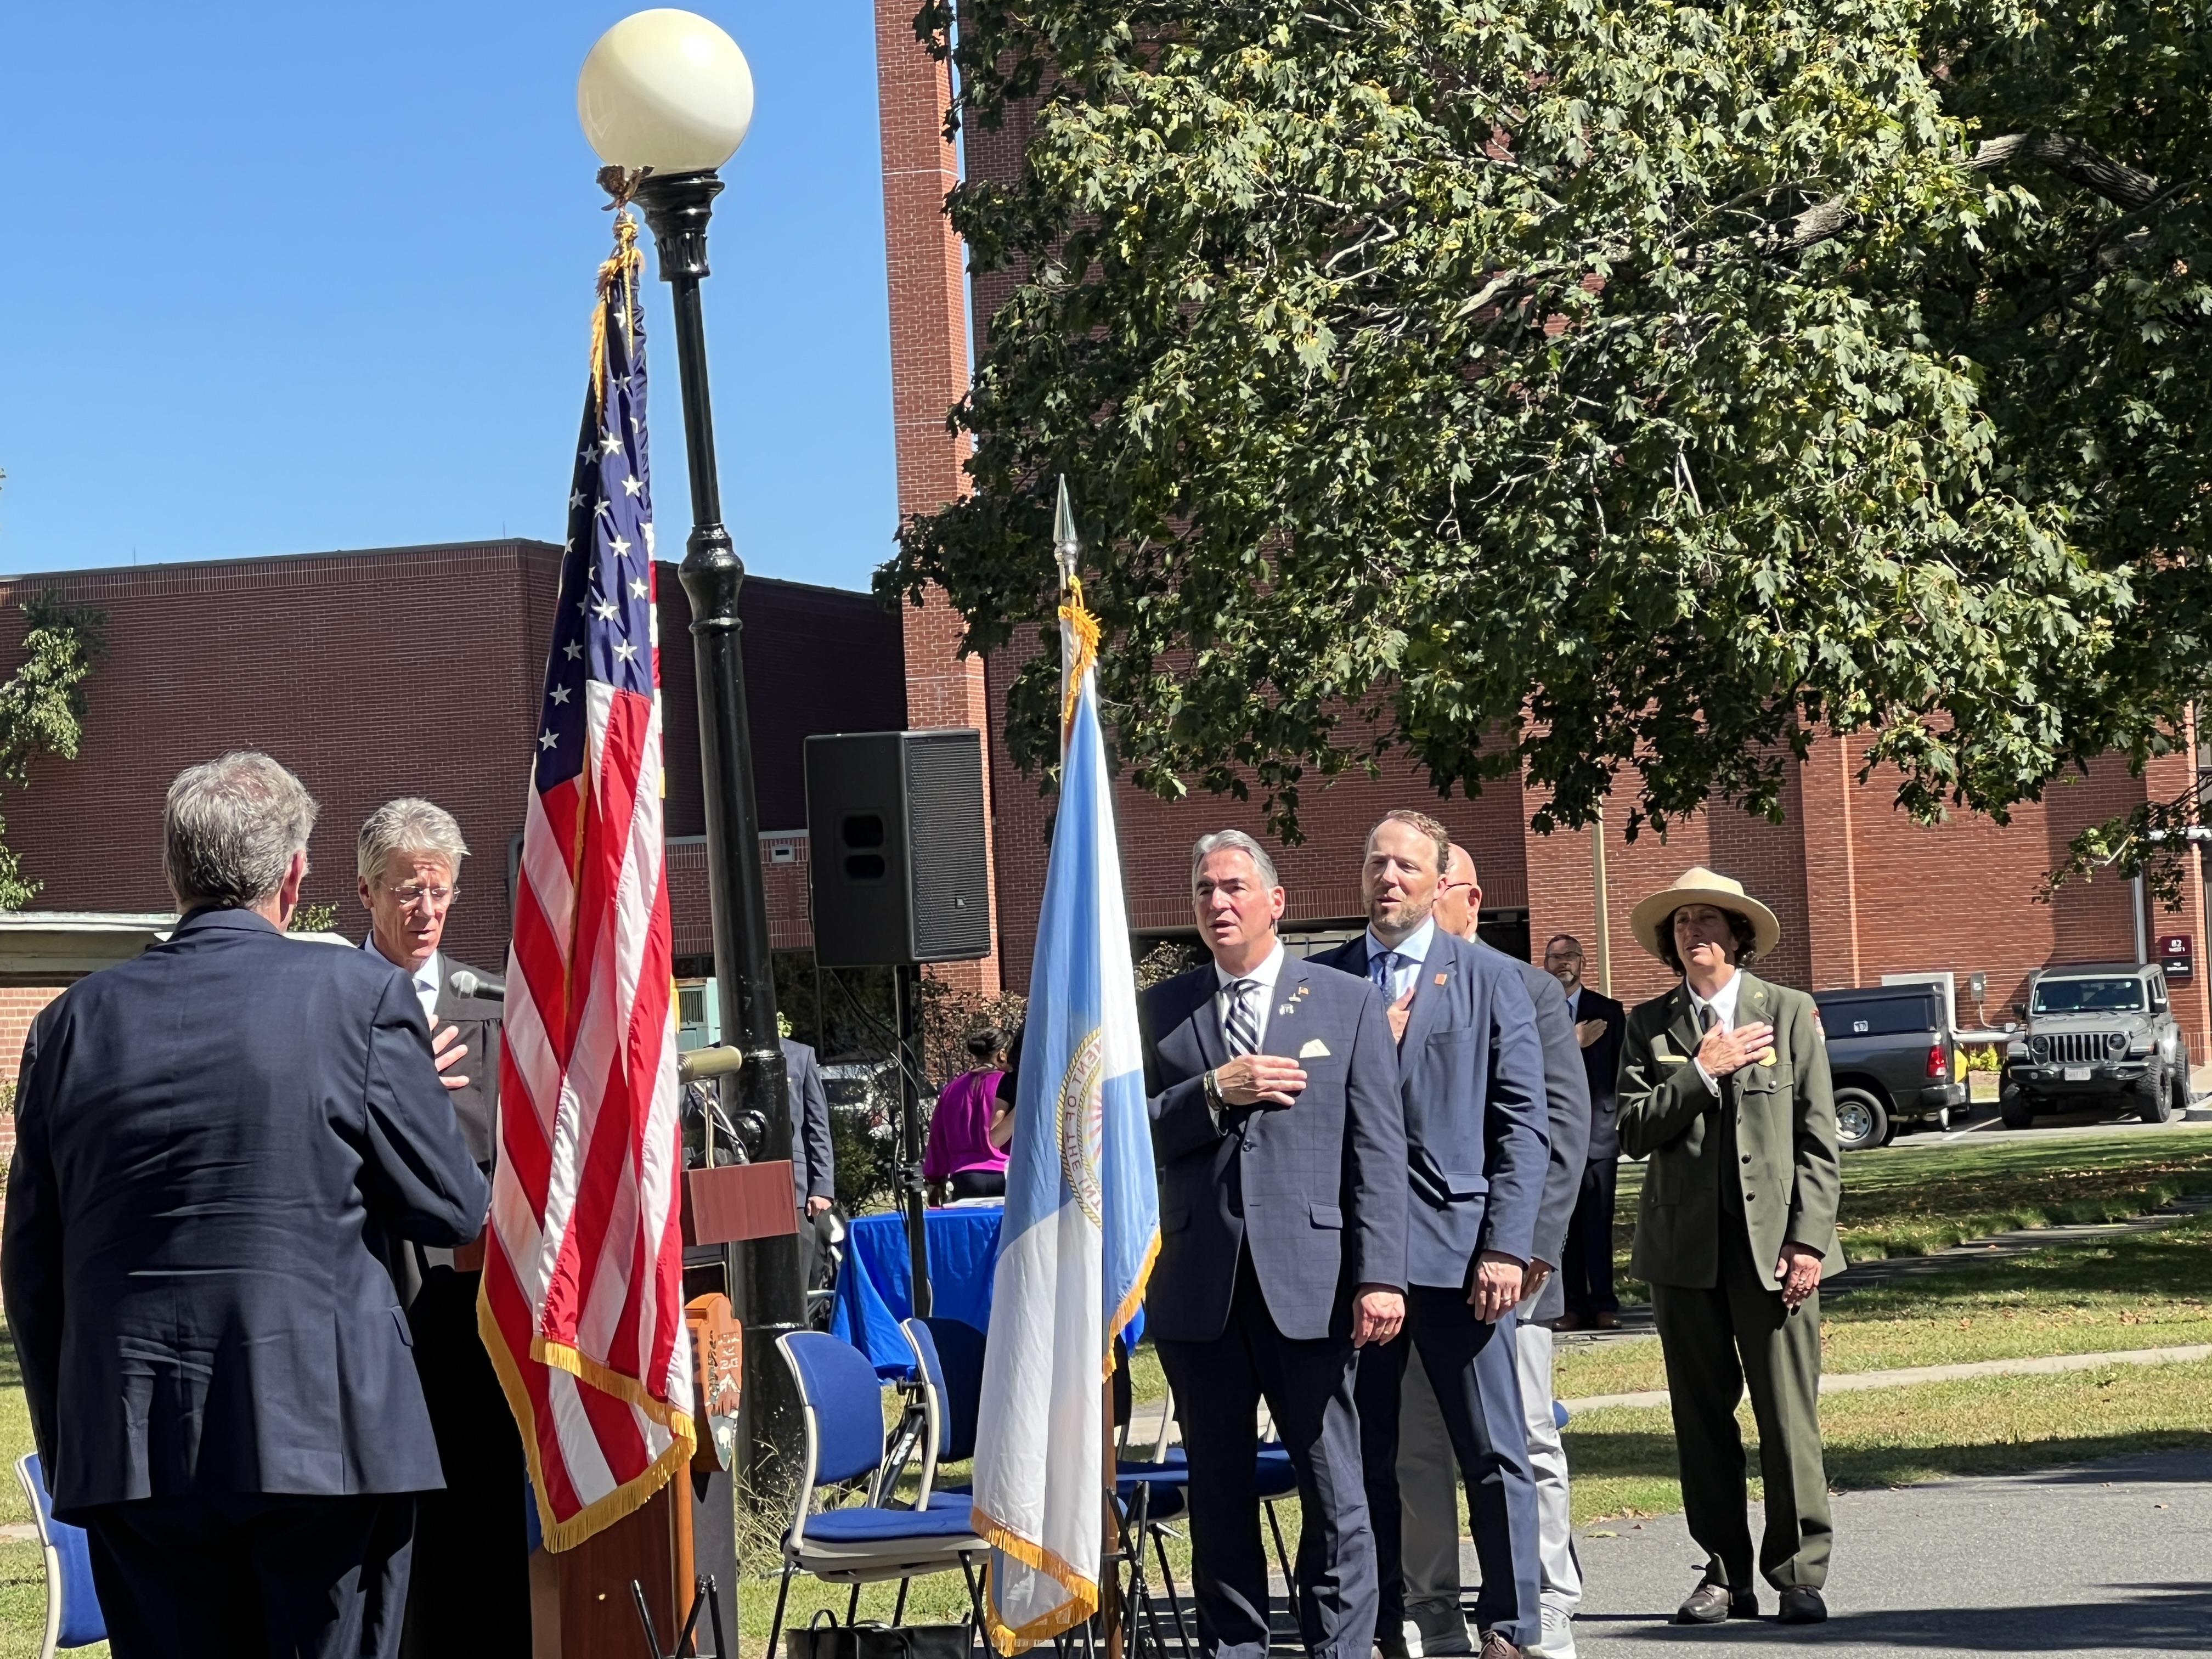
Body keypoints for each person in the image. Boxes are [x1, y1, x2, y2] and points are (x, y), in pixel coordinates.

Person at [3, 753, 488, 1659]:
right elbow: (453, 1206)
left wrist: (74, 1440)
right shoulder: (359, 999)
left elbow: (30, 1265)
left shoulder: (70, 1023)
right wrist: (411, 1087)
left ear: (171, 872)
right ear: (295, 873)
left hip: (135, 1446)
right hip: (325, 1442)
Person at [1140, 829, 1407, 1659]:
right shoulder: (1157, 1012)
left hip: (1315, 1288)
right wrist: (1212, 1092)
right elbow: (1120, 1141)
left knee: (1336, 1489)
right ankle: (1237, 1648)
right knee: (1219, 1494)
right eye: (1203, 891)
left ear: (1275, 903)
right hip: (1200, 1293)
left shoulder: (1342, 1000)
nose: (1217, 904)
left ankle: (1340, 1646)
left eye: (1233, 888)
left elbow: (1377, 1150)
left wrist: (1381, 1276)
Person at [1311, 815, 1550, 1659]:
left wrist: (1505, 1247)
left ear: (1441, 881)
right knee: (1362, 1458)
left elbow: (1525, 1127)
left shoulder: (1489, 980)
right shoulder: (1324, 982)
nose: (1389, 878)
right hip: (1353, 1266)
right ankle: (1375, 1627)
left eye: (1408, 866)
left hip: (1462, 1259)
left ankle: (1512, 1627)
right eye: (1376, 862)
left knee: (1493, 1454)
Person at [1616, 867, 1842, 1628]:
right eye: (1683, 924)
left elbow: (1818, 1140)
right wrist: (1702, 1074)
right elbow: (1631, 1129)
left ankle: (1798, 1572)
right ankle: (1722, 1572)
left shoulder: (1787, 1012)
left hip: (1776, 1255)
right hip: (1683, 1256)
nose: (1695, 933)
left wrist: (1809, 1241)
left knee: (1788, 1418)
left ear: (1738, 935)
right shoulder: (1647, 1025)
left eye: (1711, 921)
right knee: (1701, 1421)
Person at [1383, 848, 1594, 1659]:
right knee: (1418, 1446)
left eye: (1438, 882)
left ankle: (1547, 1601)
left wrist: (1529, 1246)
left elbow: (1557, 1128)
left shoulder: (1525, 987)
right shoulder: (1378, 987)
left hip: (1507, 1266)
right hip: (1408, 1264)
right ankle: (1432, 1607)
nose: (1418, 894)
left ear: (1468, 895)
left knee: (1525, 1437)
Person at [354, 798, 528, 1659]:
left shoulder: (491, 1008)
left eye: (440, 893)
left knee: (481, 1519)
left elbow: (509, 1166)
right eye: (406, 893)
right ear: (365, 893)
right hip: (368, 1302)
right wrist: (392, 1076)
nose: (425, 912)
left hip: (467, 1313)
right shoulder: (330, 1007)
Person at [1542, 934, 1626, 1333]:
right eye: (1555, 957)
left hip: (1598, 1134)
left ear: (1583, 963)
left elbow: (1620, 1072)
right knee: (1563, 1227)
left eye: (1569, 956)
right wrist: (1570, 1043)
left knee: (1598, 1224)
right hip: (1552, 1136)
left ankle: (1604, 1303)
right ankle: (1570, 1305)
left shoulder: (1608, 1011)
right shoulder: (1535, 1012)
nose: (1562, 963)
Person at [924, 1026, 1012, 1201]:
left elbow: (937, 1140)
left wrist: (935, 1179)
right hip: (1004, 1174)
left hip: (963, 1178)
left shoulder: (951, 1090)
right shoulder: (1008, 1083)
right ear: (1002, 1054)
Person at [783, 1031, 836, 1284]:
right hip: (738, 1189)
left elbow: (817, 1126)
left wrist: (822, 1187)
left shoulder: (800, 1055)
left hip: (796, 1191)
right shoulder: (717, 1058)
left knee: (801, 1282)